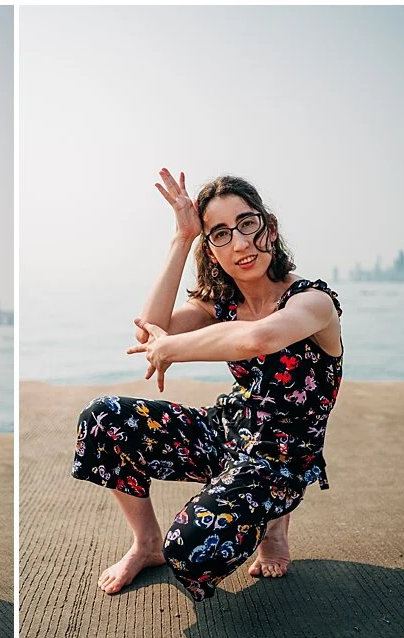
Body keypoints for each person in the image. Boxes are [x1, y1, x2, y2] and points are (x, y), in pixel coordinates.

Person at [72, 170, 344, 601]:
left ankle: (275, 520)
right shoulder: (220, 304)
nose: (239, 244)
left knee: (191, 550)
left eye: (247, 224)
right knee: (102, 418)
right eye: (220, 234)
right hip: (226, 430)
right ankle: (146, 544)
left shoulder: (314, 301)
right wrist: (183, 238)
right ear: (211, 250)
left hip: (280, 458)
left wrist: (173, 349)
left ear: (269, 228)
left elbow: (258, 339)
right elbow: (151, 333)